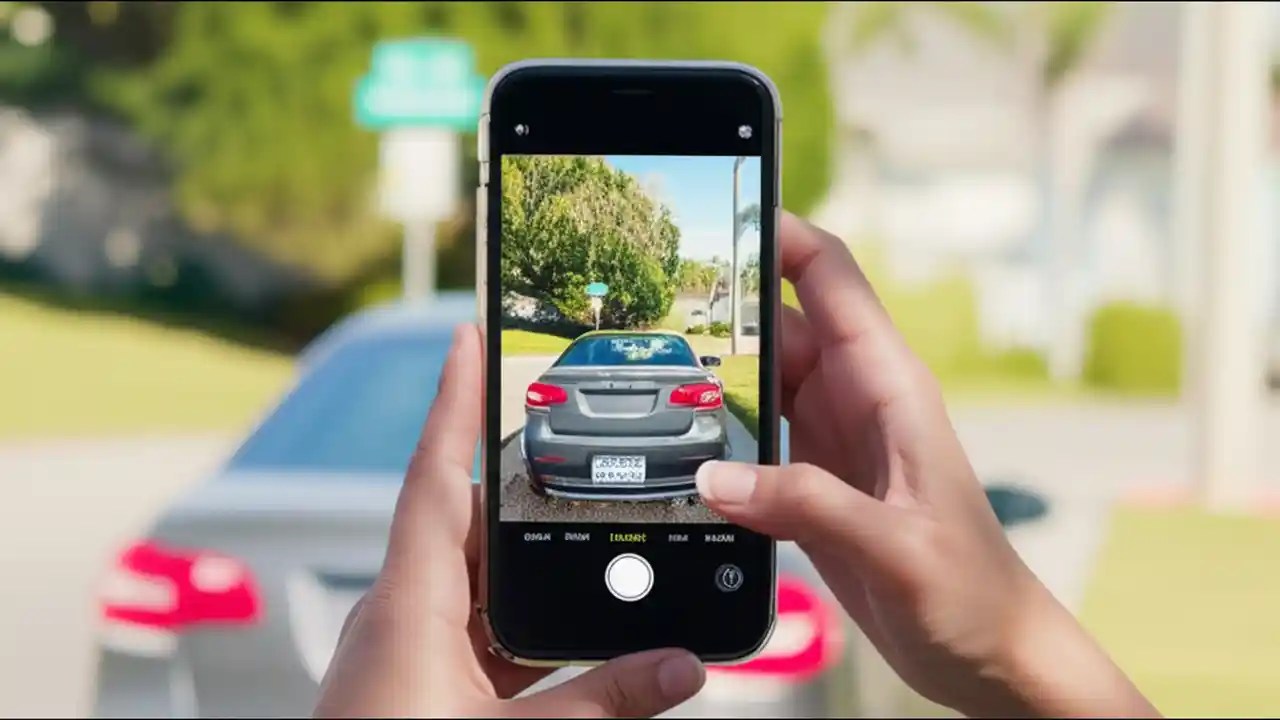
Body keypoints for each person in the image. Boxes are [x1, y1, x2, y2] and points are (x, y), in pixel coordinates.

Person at [314, 213, 1161, 719]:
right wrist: (1017, 656)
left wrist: (1010, 648)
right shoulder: (688, 382)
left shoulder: (561, 383)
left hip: (562, 449)